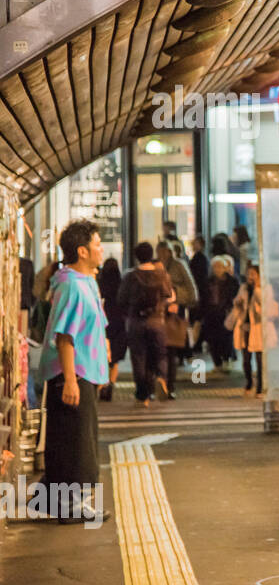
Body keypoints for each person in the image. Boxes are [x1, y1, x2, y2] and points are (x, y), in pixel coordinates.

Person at [35, 221, 110, 522]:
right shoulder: (70, 285)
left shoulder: (86, 280)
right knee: (76, 444)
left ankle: (47, 500)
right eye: (97, 243)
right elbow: (64, 336)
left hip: (84, 373)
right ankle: (69, 505)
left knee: (74, 438)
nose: (101, 248)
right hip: (72, 374)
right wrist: (69, 380)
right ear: (82, 251)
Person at [118, 242, 175, 405]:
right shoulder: (162, 275)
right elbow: (169, 295)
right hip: (157, 320)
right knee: (160, 354)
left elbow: (121, 299)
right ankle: (161, 377)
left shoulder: (130, 276)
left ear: (137, 256)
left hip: (136, 321)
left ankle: (142, 395)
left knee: (138, 357)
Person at [228, 264, 277, 397]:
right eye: (249, 273)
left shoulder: (266, 288)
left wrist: (257, 289)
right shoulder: (244, 287)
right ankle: (249, 382)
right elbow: (237, 302)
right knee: (246, 359)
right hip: (245, 327)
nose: (250, 276)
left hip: (259, 327)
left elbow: (265, 304)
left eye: (253, 274)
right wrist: (238, 302)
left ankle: (260, 387)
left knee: (260, 359)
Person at [156, 241, 198, 395]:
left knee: (171, 349)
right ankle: (161, 381)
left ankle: (170, 385)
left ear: (169, 252)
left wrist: (178, 299)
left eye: (163, 251)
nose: (160, 254)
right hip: (159, 312)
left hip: (174, 311)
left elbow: (191, 289)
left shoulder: (178, 265)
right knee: (160, 350)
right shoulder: (157, 266)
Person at [96, 258, 128, 402]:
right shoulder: (122, 283)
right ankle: (111, 386)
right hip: (120, 322)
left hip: (105, 321)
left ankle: (102, 386)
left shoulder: (100, 283)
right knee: (115, 359)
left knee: (105, 355)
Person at [202, 255, 239, 370]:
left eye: (219, 266)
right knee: (213, 339)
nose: (217, 269)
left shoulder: (232, 281)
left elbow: (235, 296)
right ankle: (217, 362)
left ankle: (227, 359)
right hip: (211, 314)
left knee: (226, 338)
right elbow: (203, 298)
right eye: (215, 267)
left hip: (225, 313)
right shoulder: (208, 281)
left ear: (225, 268)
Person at [187, 236, 210, 355]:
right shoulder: (200, 258)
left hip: (198, 293)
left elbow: (199, 278)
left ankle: (196, 343)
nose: (193, 245)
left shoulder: (199, 258)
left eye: (195, 243)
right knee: (197, 320)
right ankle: (197, 343)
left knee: (196, 319)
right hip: (199, 293)